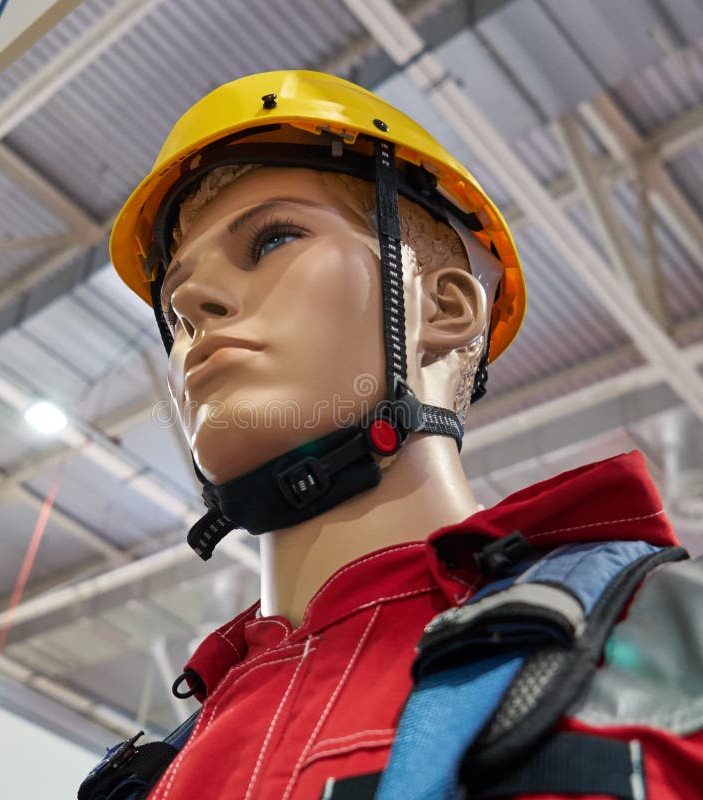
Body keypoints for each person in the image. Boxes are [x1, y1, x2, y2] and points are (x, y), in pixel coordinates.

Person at [94, 71, 702, 800]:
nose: (190, 304)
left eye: (274, 238)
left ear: (444, 307)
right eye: (177, 310)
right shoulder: (154, 777)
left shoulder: (670, 642)